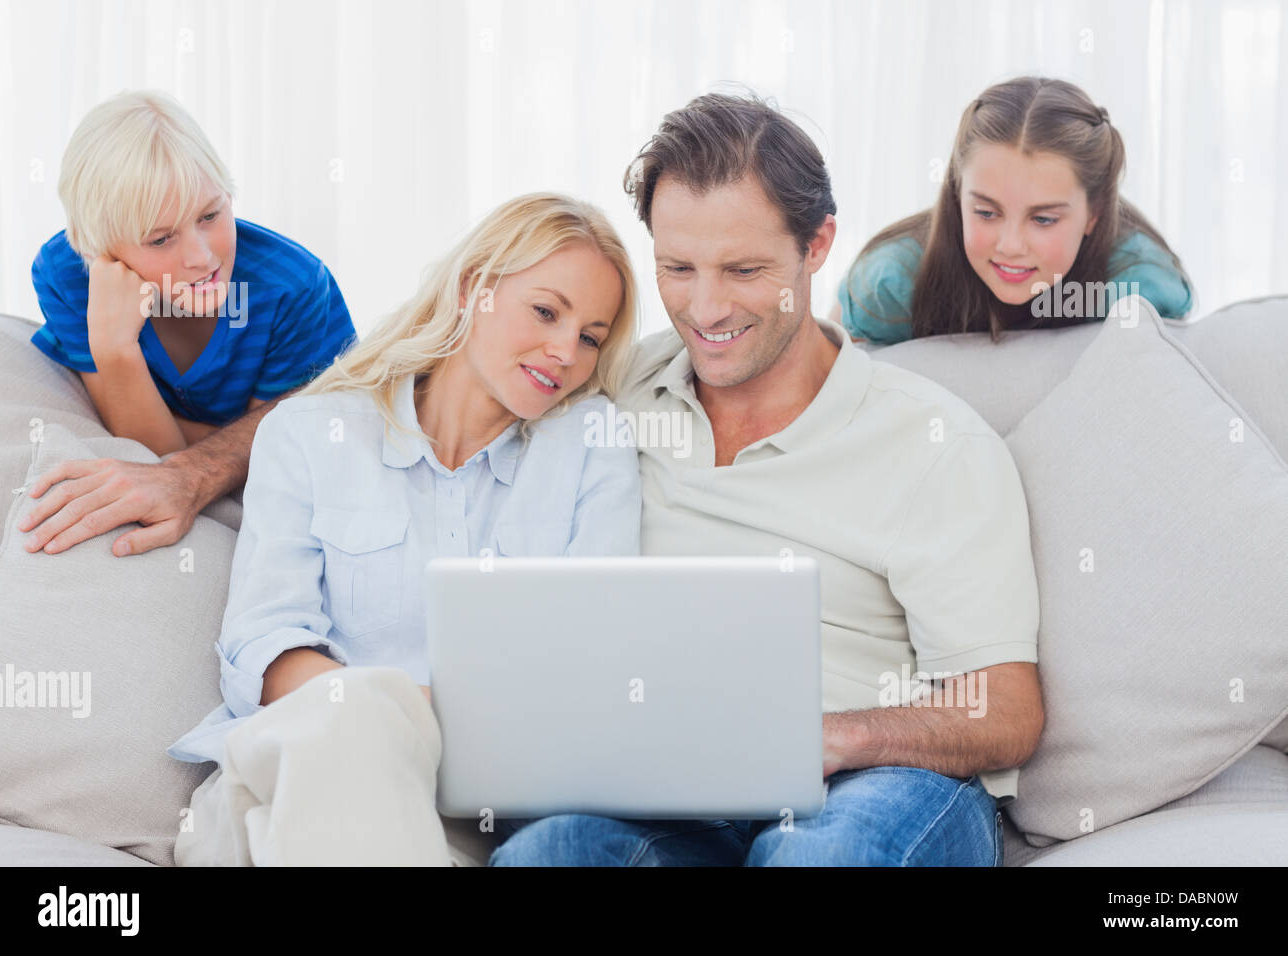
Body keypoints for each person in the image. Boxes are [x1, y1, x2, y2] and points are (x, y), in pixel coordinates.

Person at [489, 92, 1043, 867]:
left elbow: (1006, 712)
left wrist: (836, 736)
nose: (705, 307)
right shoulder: (615, 388)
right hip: (673, 788)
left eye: (744, 270)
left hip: (876, 781)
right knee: (546, 855)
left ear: (817, 246)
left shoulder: (934, 443)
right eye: (677, 269)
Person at [168, 192, 642, 866]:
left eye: (592, 336)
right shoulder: (313, 433)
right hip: (301, 773)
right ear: (473, 290)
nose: (567, 350)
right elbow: (262, 644)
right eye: (546, 311)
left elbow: (594, 657)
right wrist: (401, 715)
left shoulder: (591, 444)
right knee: (357, 718)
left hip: (475, 817)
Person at [19, 90, 356, 557]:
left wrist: (224, 440)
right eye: (161, 239)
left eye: (211, 215)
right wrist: (115, 349)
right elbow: (151, 455)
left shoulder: (292, 286)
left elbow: (276, 460)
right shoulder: (67, 274)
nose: (202, 257)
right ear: (102, 251)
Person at [828, 76, 1193, 344]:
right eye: (986, 213)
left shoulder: (1137, 286)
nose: (1010, 245)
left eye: (1044, 219)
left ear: (1094, 212)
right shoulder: (894, 283)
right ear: (958, 195)